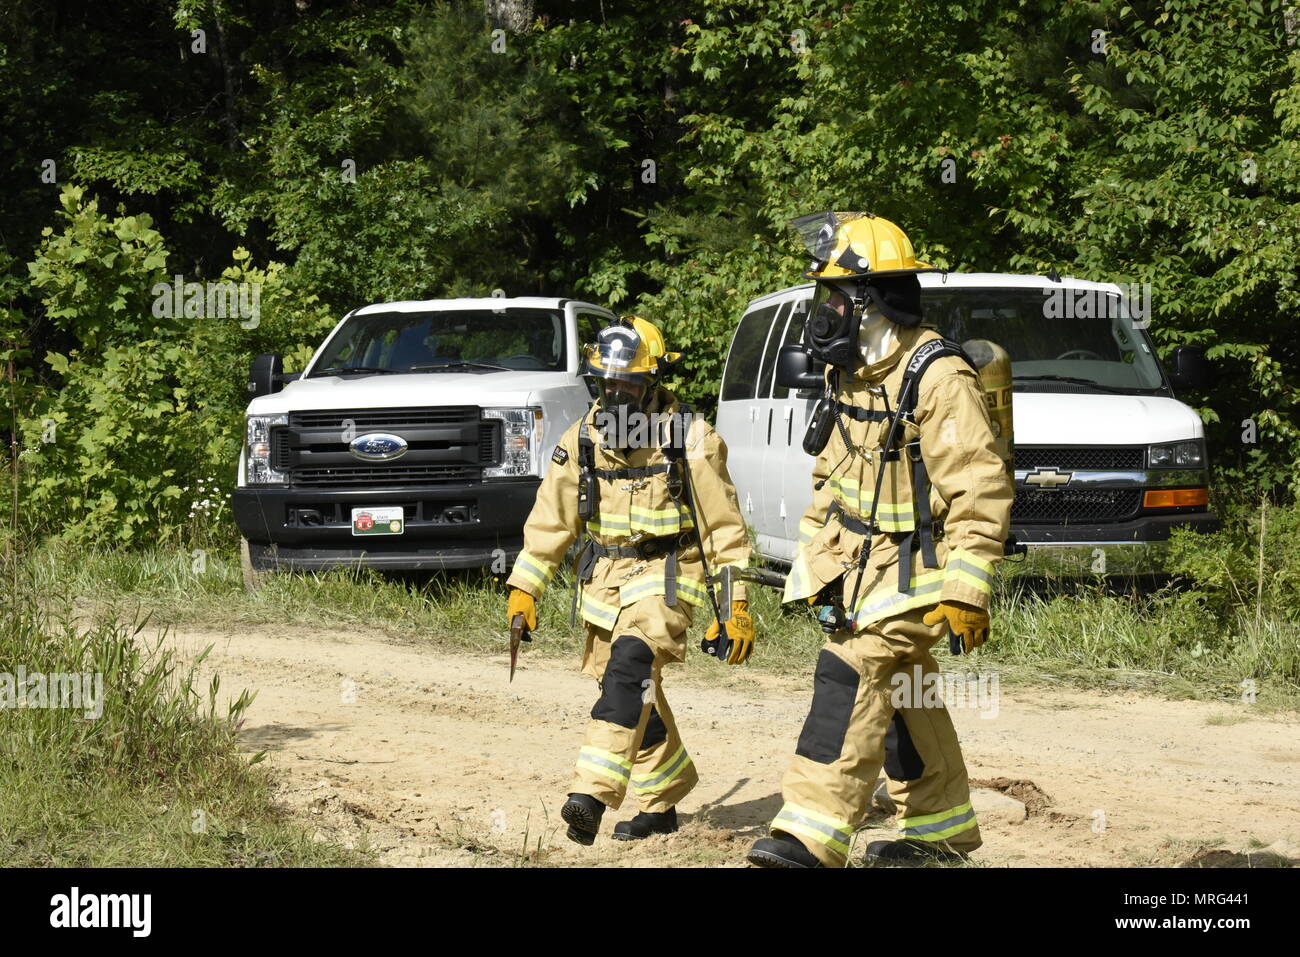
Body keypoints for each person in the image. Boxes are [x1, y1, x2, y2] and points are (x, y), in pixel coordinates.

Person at [746, 211, 1014, 868]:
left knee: (852, 666)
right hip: (864, 570)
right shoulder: (854, 376)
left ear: (870, 301)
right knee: (906, 692)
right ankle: (941, 837)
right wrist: (816, 565)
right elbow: (832, 483)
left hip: (922, 569)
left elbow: (977, 484)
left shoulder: (937, 374)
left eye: (834, 297)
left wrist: (968, 585)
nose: (824, 311)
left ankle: (809, 833)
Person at [505, 316, 755, 845]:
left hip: (669, 575)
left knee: (629, 667)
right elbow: (552, 518)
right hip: (604, 580)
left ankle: (590, 795)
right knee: (631, 692)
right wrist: (526, 587)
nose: (617, 393)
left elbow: (725, 533)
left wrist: (734, 608)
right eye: (608, 382)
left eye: (630, 383)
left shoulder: (691, 440)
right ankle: (664, 798)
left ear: (654, 382)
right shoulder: (583, 437)